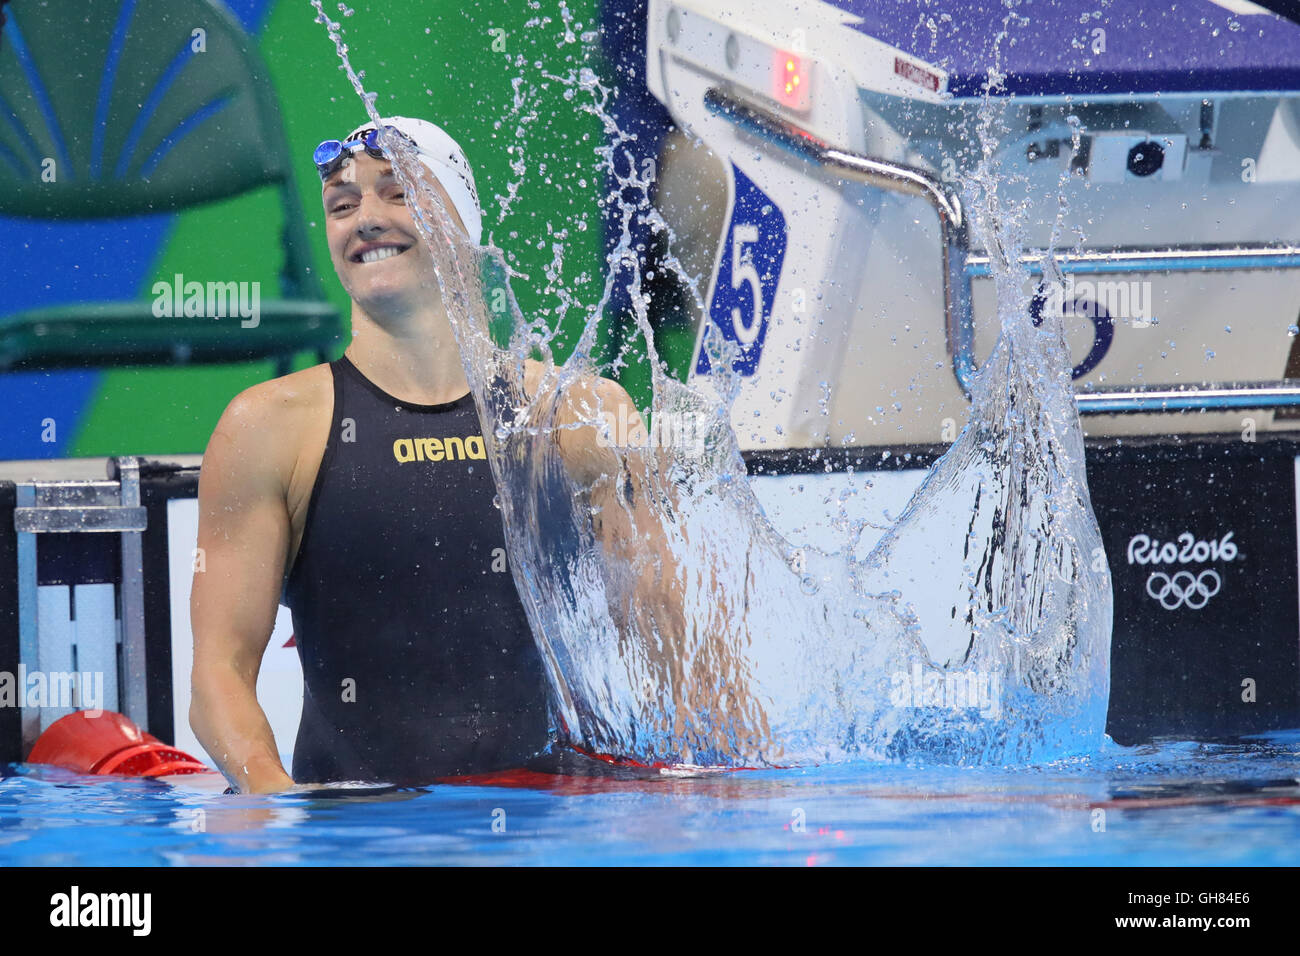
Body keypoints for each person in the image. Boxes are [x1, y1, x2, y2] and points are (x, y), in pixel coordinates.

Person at [188, 117, 653, 792]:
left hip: (550, 828)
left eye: (397, 193)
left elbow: (673, 647)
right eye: (342, 206)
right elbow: (216, 675)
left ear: (463, 222)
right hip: (357, 836)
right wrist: (272, 802)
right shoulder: (270, 428)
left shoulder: (579, 417)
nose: (365, 220)